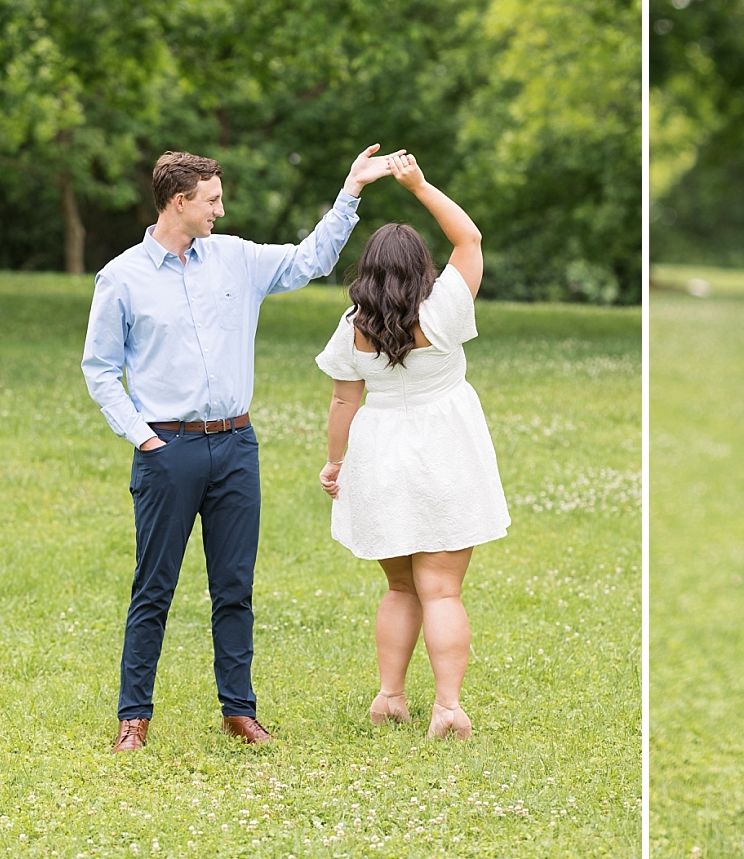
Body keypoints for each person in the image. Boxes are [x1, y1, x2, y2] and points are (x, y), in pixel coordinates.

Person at [82, 145, 395, 752]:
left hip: (235, 447)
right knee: (154, 587)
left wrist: (351, 190)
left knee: (234, 586)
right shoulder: (121, 277)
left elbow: (311, 260)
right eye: (212, 200)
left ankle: (239, 711)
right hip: (166, 449)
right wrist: (143, 435)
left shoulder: (237, 260)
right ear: (180, 202)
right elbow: (99, 370)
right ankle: (134, 718)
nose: (221, 210)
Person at [315, 150, 508, 740]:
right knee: (442, 589)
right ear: (422, 265)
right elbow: (469, 237)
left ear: (368, 271)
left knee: (400, 587)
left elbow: (344, 403)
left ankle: (390, 697)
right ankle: (447, 708)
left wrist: (334, 463)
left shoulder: (355, 323)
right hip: (447, 447)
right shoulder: (446, 305)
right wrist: (420, 185)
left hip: (381, 455)